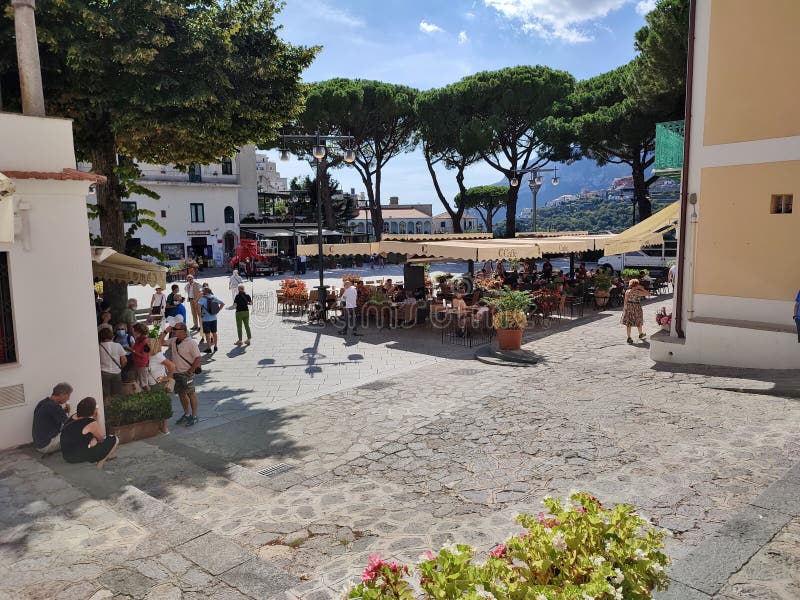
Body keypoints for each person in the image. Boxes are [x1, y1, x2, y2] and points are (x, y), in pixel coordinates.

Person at [160, 322, 202, 426]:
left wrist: (190, 371)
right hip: (176, 373)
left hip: (186, 373)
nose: (173, 331)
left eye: (176, 329)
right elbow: (160, 342)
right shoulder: (174, 340)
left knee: (191, 393)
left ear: (183, 331)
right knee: (181, 394)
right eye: (173, 329)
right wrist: (165, 331)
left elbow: (198, 358)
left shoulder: (191, 342)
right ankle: (187, 414)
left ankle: (195, 416)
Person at [60, 397, 119, 469]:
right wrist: (97, 419)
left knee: (93, 440)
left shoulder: (73, 416)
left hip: (66, 455)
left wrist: (93, 439)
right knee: (114, 439)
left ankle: (106, 455)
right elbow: (101, 438)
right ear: (92, 410)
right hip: (76, 457)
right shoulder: (90, 422)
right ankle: (100, 464)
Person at [32, 382, 72, 454]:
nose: (68, 398)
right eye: (68, 395)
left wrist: (63, 411)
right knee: (76, 431)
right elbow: (70, 423)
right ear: (62, 395)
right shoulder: (55, 407)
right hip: (46, 446)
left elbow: (49, 416)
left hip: (38, 444)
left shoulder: (43, 402)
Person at [99, 328, 127, 398]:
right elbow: (124, 361)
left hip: (103, 373)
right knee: (116, 395)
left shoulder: (98, 347)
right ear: (111, 335)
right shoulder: (118, 345)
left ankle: (107, 406)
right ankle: (115, 407)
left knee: (106, 395)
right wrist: (120, 367)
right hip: (116, 373)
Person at [621, 278, 650, 344]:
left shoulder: (627, 291)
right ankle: (640, 334)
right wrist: (642, 289)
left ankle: (629, 337)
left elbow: (625, 300)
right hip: (637, 307)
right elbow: (648, 294)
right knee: (638, 320)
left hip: (629, 307)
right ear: (637, 284)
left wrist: (624, 308)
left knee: (629, 323)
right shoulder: (638, 292)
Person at [198, 287, 224, 352]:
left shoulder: (202, 298)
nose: (202, 292)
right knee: (214, 333)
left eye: (202, 291)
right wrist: (218, 310)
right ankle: (215, 346)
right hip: (214, 318)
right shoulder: (214, 297)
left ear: (205, 292)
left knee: (207, 334)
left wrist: (200, 314)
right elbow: (222, 303)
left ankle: (209, 348)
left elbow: (198, 306)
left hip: (206, 319)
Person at [130, 323, 152, 390]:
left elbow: (143, 356)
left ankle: (151, 398)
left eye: (134, 331)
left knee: (144, 385)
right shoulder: (138, 340)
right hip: (137, 364)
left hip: (142, 365)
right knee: (138, 384)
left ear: (139, 332)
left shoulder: (145, 342)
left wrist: (131, 351)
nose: (133, 332)